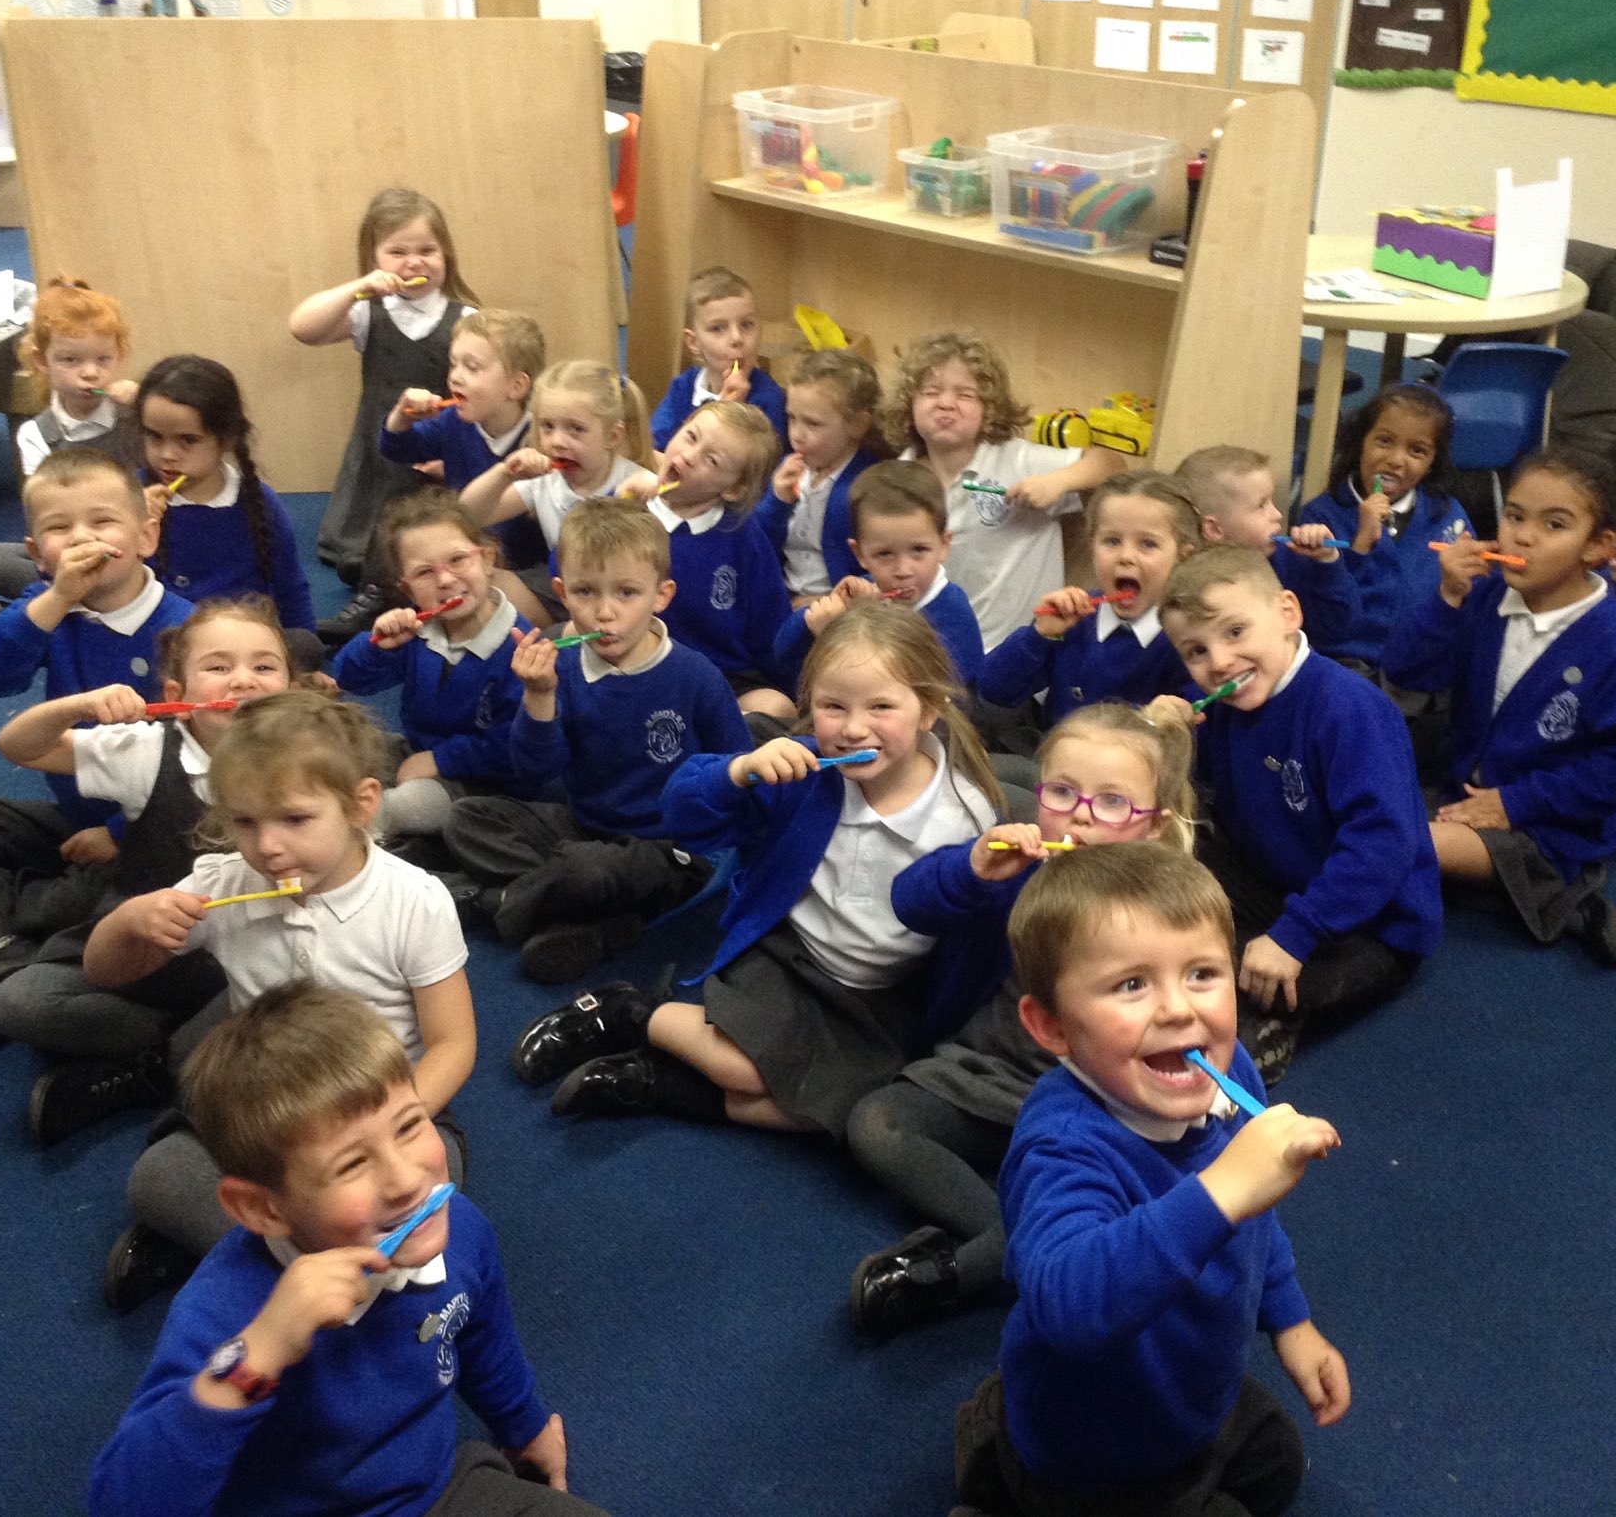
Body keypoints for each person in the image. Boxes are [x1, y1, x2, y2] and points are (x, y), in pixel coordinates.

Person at [89, 982, 606, 1517]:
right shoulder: (222, 1314)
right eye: (353, 1164)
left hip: (432, 1493)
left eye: (409, 1126)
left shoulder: (462, 1231)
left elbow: (484, 1337)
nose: (407, 1179)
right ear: (263, 1208)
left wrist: (524, 1427)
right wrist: (258, 1355)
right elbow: (123, 1506)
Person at [952, 843, 1348, 1517]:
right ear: (1052, 1025)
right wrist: (1222, 1188)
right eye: (1132, 985)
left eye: (1202, 974)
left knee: (1277, 1466)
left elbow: (1256, 1216)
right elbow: (1069, 1308)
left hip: (1193, 1386)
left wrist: (1290, 1320)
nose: (1177, 1010)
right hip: (1094, 1446)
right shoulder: (1062, 1145)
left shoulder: (1232, 1073)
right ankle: (998, 1454)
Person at [511, 604, 1004, 1141]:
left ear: (928, 709)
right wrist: (737, 772)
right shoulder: (801, 773)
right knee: (743, 1072)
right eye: (833, 707)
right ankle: (628, 1011)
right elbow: (683, 817)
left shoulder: (966, 815)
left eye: (881, 706)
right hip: (790, 957)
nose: (853, 729)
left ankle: (660, 1083)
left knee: (856, 1113)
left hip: (877, 998)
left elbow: (970, 938)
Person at [84, 691, 476, 1310]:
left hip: (384, 1106)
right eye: (245, 822)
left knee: (427, 1185)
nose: (267, 847)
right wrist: (130, 922)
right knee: (158, 1177)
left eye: (295, 819)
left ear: (361, 805)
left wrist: (383, 1134)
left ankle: (240, 1258)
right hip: (264, 1111)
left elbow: (453, 1043)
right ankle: (287, 1258)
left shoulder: (414, 901)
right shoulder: (222, 886)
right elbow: (104, 972)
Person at [845, 703, 1194, 1338]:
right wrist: (971, 869)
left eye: (1111, 803)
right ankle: (1005, 1241)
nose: (1080, 815)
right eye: (1062, 793)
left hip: (1095, 1102)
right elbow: (909, 900)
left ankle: (966, 1269)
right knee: (875, 1122)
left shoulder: (1165, 911)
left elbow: (1187, 1026)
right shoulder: (1019, 866)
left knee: (1124, 1202)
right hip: (985, 1072)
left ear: (1152, 826)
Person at [0, 598, 298, 1145]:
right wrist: (79, 705)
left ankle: (156, 1065)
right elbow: (19, 747)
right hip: (145, 948)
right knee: (17, 1003)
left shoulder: (311, 760)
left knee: (288, 1000)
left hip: (246, 967)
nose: (243, 680)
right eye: (218, 666)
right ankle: (182, 1051)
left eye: (264, 666)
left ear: (290, 688)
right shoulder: (149, 750)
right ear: (178, 696)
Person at [0, 448, 192, 1026]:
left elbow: (203, 763)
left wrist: (121, 832)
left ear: (146, 535)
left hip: (155, 832)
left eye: (102, 520)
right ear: (37, 555)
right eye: (60, 529)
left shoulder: (188, 628)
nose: (82, 537)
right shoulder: (47, 609)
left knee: (103, 896)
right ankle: (5, 942)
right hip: (73, 811)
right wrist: (54, 600)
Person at [1156, 545, 1441, 1083]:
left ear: (1288, 613)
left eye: (1235, 632)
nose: (1219, 662)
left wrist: (1296, 933)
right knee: (1168, 860)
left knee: (1246, 980)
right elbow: (1186, 796)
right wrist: (1160, 739)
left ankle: (1264, 1013)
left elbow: (1382, 844)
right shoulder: (1221, 704)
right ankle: (1241, 979)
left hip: (1370, 926)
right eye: (1196, 651)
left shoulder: (1348, 707)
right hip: (1278, 884)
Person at [443, 501, 749, 983]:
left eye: (627, 592)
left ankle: (497, 902)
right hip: (586, 827)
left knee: (588, 870)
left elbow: (738, 771)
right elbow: (533, 772)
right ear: (562, 593)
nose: (605, 612)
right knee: (467, 819)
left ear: (661, 595)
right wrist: (539, 695)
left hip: (669, 847)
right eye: (585, 592)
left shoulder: (696, 675)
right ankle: (596, 921)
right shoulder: (560, 663)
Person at [1381, 446, 1616, 968]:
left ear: (1598, 547)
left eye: (1554, 525)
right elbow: (1405, 669)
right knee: (1361, 815)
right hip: (1459, 789)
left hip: (1544, 825)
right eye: (1514, 516)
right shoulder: (1484, 596)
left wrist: (1514, 803)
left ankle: (1568, 899)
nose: (1523, 537)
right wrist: (1448, 596)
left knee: (1393, 845)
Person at [287, 187, 476, 602]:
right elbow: (302, 328)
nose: (414, 261)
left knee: (437, 529)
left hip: (435, 450)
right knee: (366, 540)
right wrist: (360, 287)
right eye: (397, 252)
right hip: (378, 449)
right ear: (374, 259)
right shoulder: (367, 312)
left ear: (446, 255)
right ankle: (369, 562)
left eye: (427, 250)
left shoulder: (464, 318)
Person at [883, 330, 1124, 653]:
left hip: (1019, 651)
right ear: (909, 403)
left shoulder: (1017, 460)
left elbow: (1112, 464)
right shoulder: (895, 480)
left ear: (989, 409)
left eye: (965, 394)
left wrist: (1059, 482)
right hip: (930, 652)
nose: (946, 403)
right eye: (931, 392)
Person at [332, 492, 531, 837]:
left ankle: (347, 835)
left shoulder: (520, 646)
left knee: (406, 804)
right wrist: (376, 646)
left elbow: (515, 747)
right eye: (425, 572)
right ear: (408, 590)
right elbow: (350, 679)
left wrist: (441, 760)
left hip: (485, 785)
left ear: (487, 559)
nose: (445, 580)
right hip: (417, 752)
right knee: (335, 748)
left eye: (458, 560)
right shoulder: (419, 631)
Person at [345, 308, 547, 645]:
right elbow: (398, 448)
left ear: (516, 386)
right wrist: (402, 416)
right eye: (454, 364)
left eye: (472, 368)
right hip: (460, 555)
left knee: (478, 592)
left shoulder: (539, 438)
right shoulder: (456, 421)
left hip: (516, 567)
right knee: (409, 513)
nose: (455, 377)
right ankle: (380, 587)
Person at [0, 276, 138, 615]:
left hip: (131, 544)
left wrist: (148, 398)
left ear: (119, 356)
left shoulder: (134, 415)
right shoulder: (35, 434)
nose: (90, 373)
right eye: (70, 361)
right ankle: (81, 602)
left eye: (103, 360)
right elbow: (44, 514)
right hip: (75, 545)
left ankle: (51, 608)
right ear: (42, 361)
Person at [978, 470, 1199, 729]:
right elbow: (994, 690)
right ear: (1092, 546)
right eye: (1112, 541)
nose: (1126, 556)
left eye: (1148, 544)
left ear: (1183, 557)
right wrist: (1039, 636)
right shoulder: (1076, 618)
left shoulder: (1188, 639)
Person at [616, 399, 789, 712]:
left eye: (711, 460)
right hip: (632, 665)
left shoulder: (744, 538)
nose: (689, 456)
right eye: (691, 437)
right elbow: (567, 567)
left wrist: (788, 685)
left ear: (733, 489)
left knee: (775, 707)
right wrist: (617, 513)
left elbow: (771, 626)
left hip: (722, 678)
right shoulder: (627, 504)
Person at [136, 355, 318, 646]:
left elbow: (291, 589)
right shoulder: (131, 499)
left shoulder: (258, 502)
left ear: (227, 438)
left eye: (187, 440)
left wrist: (305, 659)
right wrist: (131, 528)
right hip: (165, 645)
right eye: (155, 437)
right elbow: (113, 592)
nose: (167, 454)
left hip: (244, 646)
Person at [456, 360, 653, 625]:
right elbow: (466, 515)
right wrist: (504, 474)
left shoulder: (635, 483)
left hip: (619, 598)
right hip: (563, 590)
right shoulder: (544, 479)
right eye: (548, 426)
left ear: (612, 436)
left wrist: (659, 494)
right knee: (484, 585)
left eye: (576, 429)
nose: (557, 441)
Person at [769, 463, 981, 694]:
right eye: (885, 554)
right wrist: (813, 624)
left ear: (944, 545)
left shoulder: (953, 611)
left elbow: (946, 698)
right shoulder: (861, 593)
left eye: (919, 550)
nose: (903, 570)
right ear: (860, 554)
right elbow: (782, 656)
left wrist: (843, 635)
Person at [1296, 385, 1467, 672]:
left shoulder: (1448, 516)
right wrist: (1361, 545)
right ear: (1361, 442)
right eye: (1384, 441)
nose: (1396, 460)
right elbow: (1326, 625)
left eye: (1417, 450)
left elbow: (1462, 604)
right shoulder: (1321, 516)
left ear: (1431, 463)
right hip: (1346, 668)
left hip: (1421, 669)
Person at [1175, 445, 1357, 653]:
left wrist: (1327, 562)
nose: (1277, 514)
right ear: (1215, 529)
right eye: (1261, 505)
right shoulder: (1189, 581)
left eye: (1271, 501)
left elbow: (1337, 628)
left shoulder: (1289, 559)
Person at [754, 348, 886, 604]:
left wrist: (830, 601)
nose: (797, 435)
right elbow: (758, 545)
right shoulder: (787, 469)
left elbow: (882, 571)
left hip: (838, 609)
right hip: (781, 597)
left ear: (858, 425)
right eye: (792, 418)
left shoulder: (870, 486)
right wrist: (777, 501)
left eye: (813, 423)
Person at [648, 265, 787, 451]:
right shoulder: (684, 386)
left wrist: (729, 413)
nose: (737, 338)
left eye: (746, 325)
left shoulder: (768, 399)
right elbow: (654, 447)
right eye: (717, 328)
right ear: (693, 342)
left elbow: (757, 466)